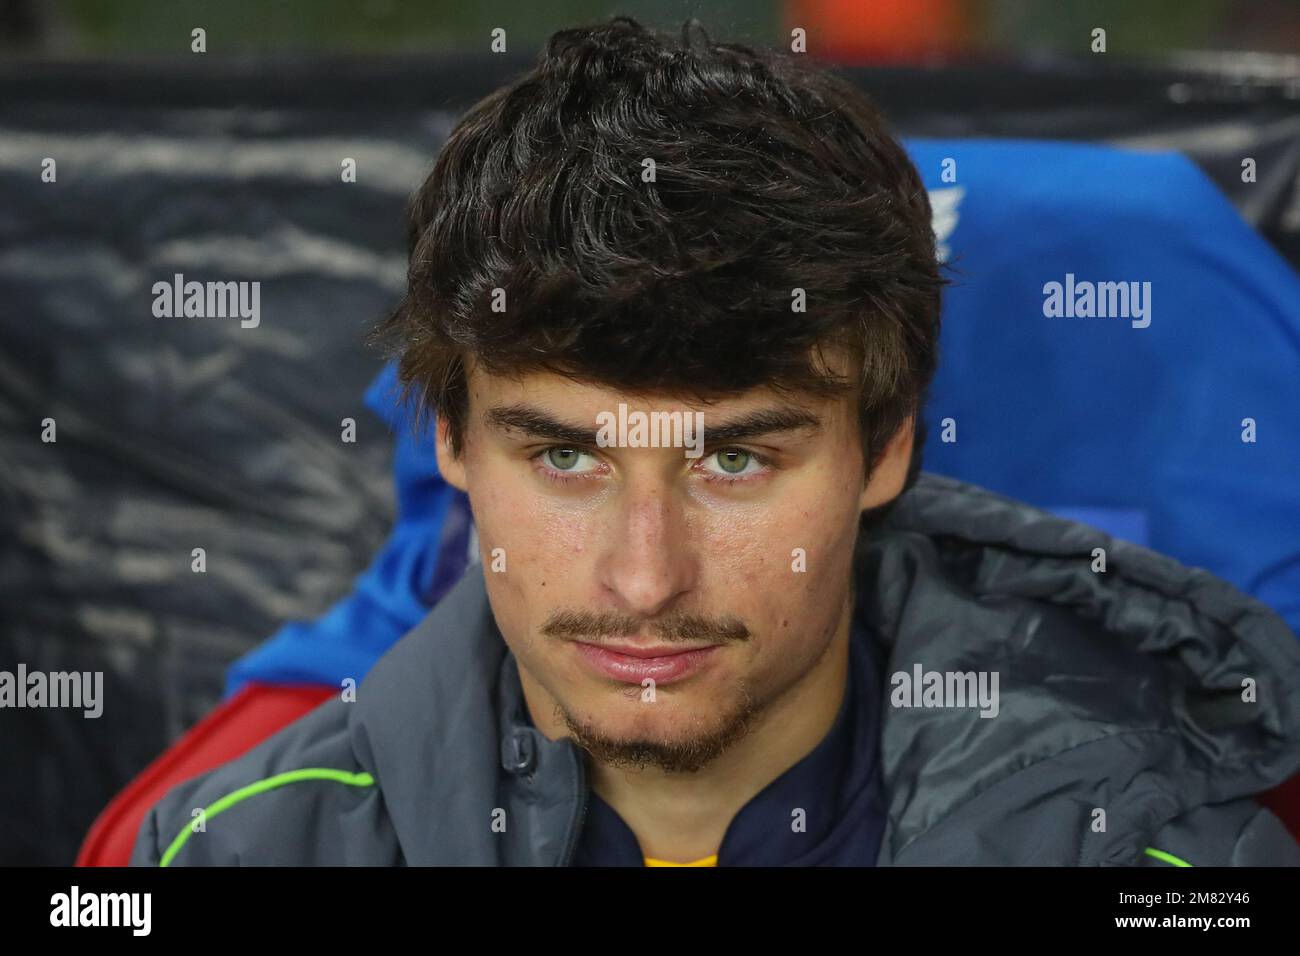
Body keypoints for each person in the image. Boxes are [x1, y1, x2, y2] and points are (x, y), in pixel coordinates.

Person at [131, 16, 1300, 867]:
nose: (646, 577)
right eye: (566, 457)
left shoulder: (1183, 873)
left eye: (733, 460)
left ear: (886, 447)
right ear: (450, 441)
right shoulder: (225, 850)